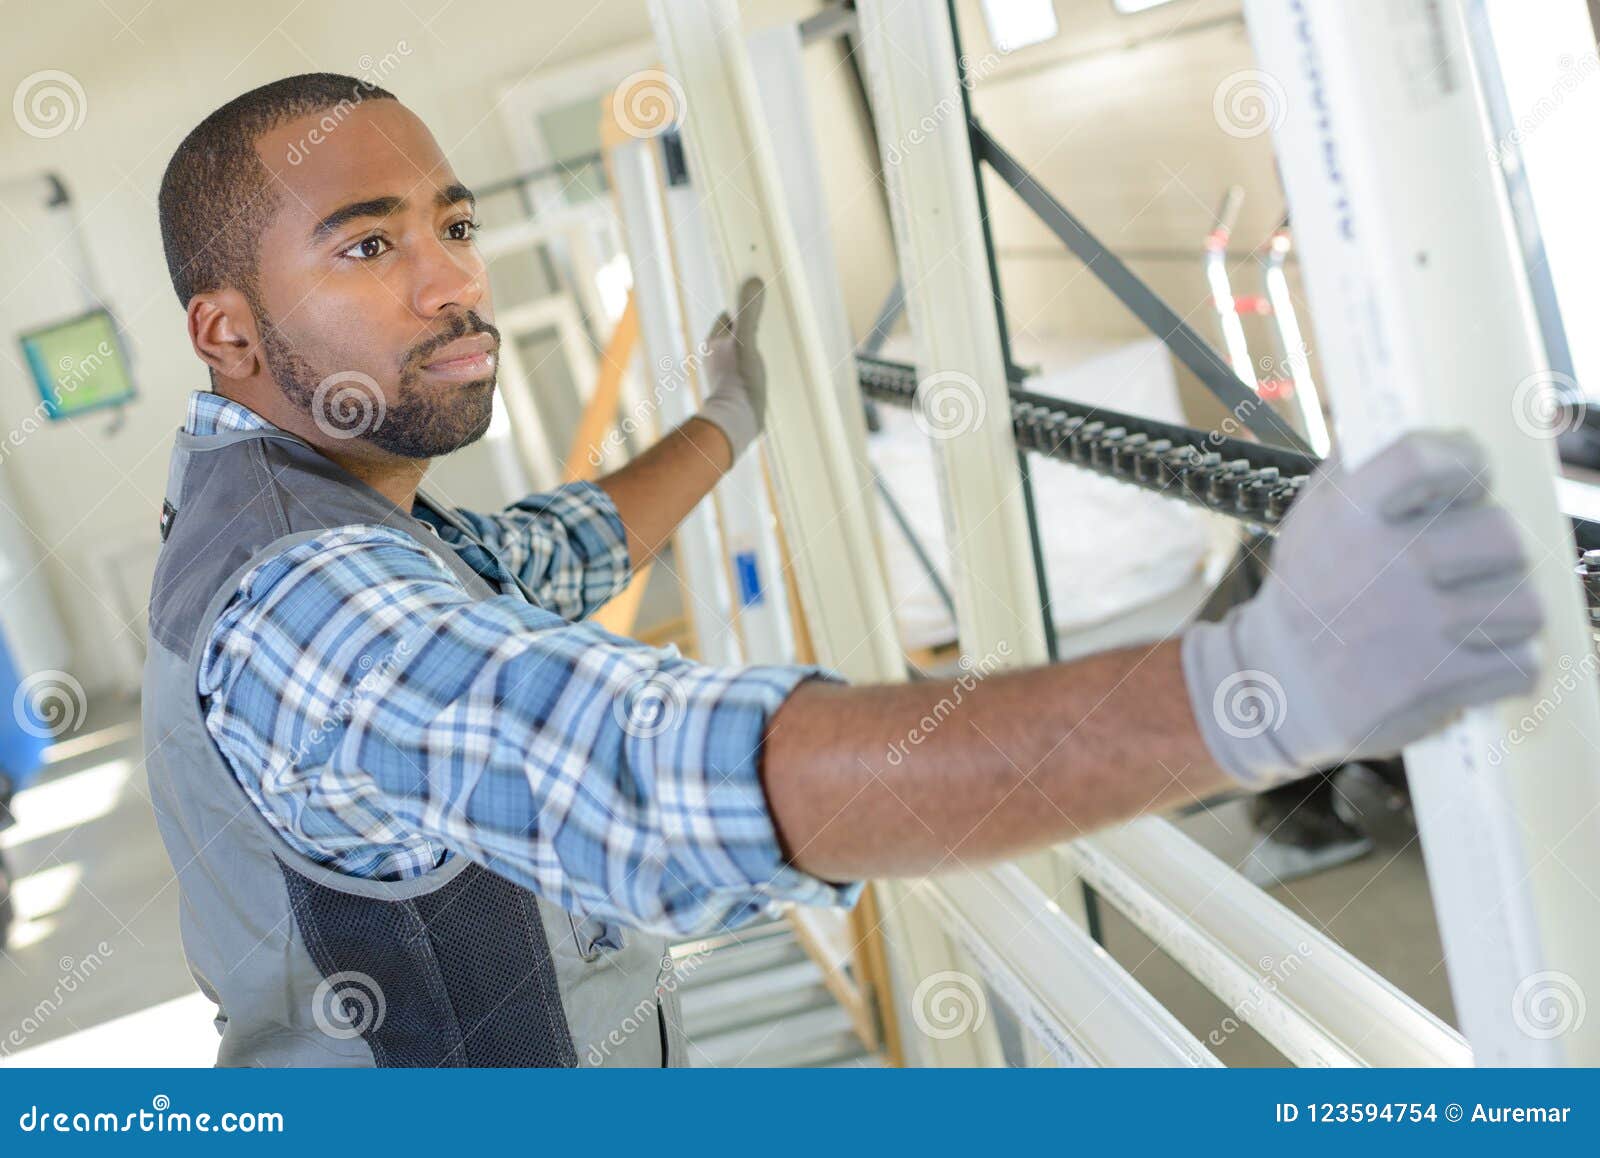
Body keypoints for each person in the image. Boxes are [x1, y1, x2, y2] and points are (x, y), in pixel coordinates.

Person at [144, 73, 1543, 1068]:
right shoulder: (300, 599)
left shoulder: (318, 510)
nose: (453, 282)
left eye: (455, 226)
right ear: (230, 333)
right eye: (370, 244)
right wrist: (1256, 686)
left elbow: (555, 550)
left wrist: (724, 421)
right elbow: (652, 779)